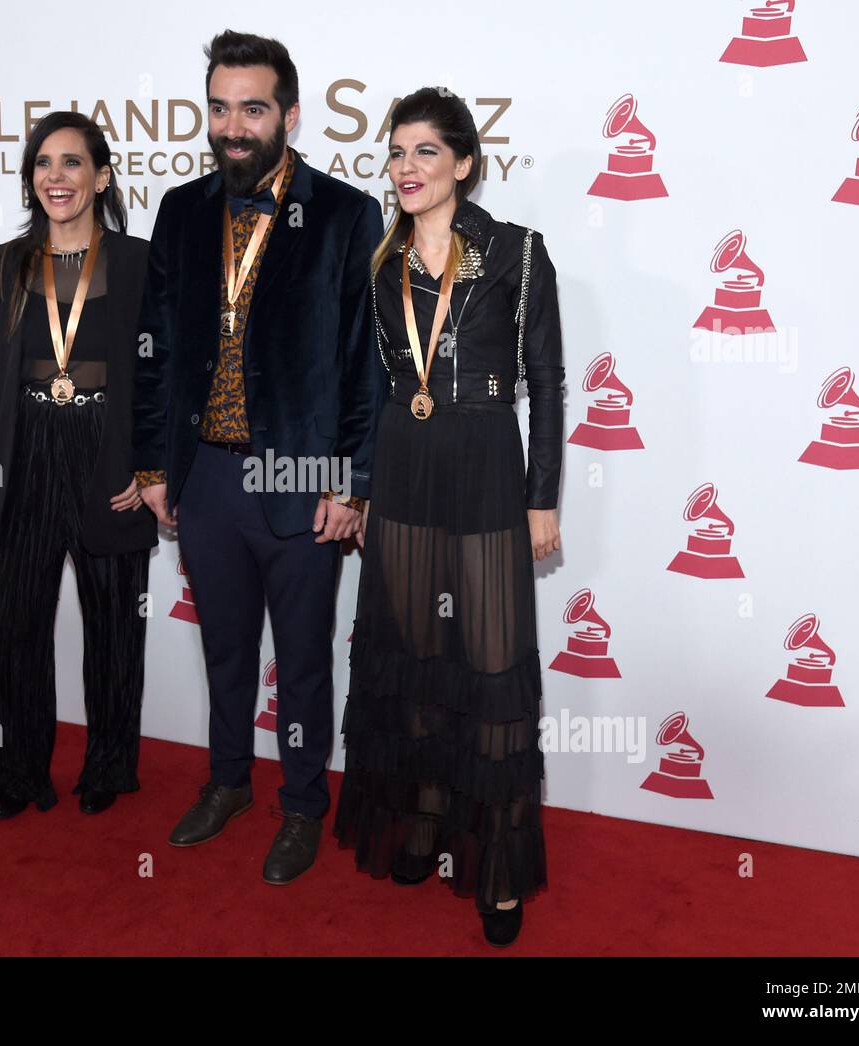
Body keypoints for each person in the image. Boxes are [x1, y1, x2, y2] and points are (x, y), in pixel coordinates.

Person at [131, 30, 385, 883]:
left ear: (290, 115)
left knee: (304, 659)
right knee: (226, 650)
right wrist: (155, 466)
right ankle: (228, 782)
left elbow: (364, 364)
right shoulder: (182, 209)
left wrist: (351, 482)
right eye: (219, 108)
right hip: (206, 473)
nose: (233, 127)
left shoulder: (346, 214)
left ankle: (304, 805)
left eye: (252, 109)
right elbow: (158, 350)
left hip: (303, 477)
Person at [331, 87, 565, 946]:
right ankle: (425, 817)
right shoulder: (380, 259)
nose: (407, 167)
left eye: (425, 151)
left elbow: (547, 382)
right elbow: (365, 386)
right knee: (414, 653)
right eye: (396, 153)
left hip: (484, 462)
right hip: (404, 461)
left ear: (464, 162)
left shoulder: (517, 253)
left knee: (491, 665)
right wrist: (356, 487)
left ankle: (497, 865)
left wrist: (542, 498)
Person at [0, 111, 157, 821]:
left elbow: (159, 376)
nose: (57, 177)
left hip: (108, 452)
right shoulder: (4, 263)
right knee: (16, 622)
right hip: (25, 452)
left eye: (72, 162)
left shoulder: (139, 263)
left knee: (114, 624)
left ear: (101, 177)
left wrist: (149, 468)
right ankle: (17, 772)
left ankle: (108, 764)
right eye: (43, 164)